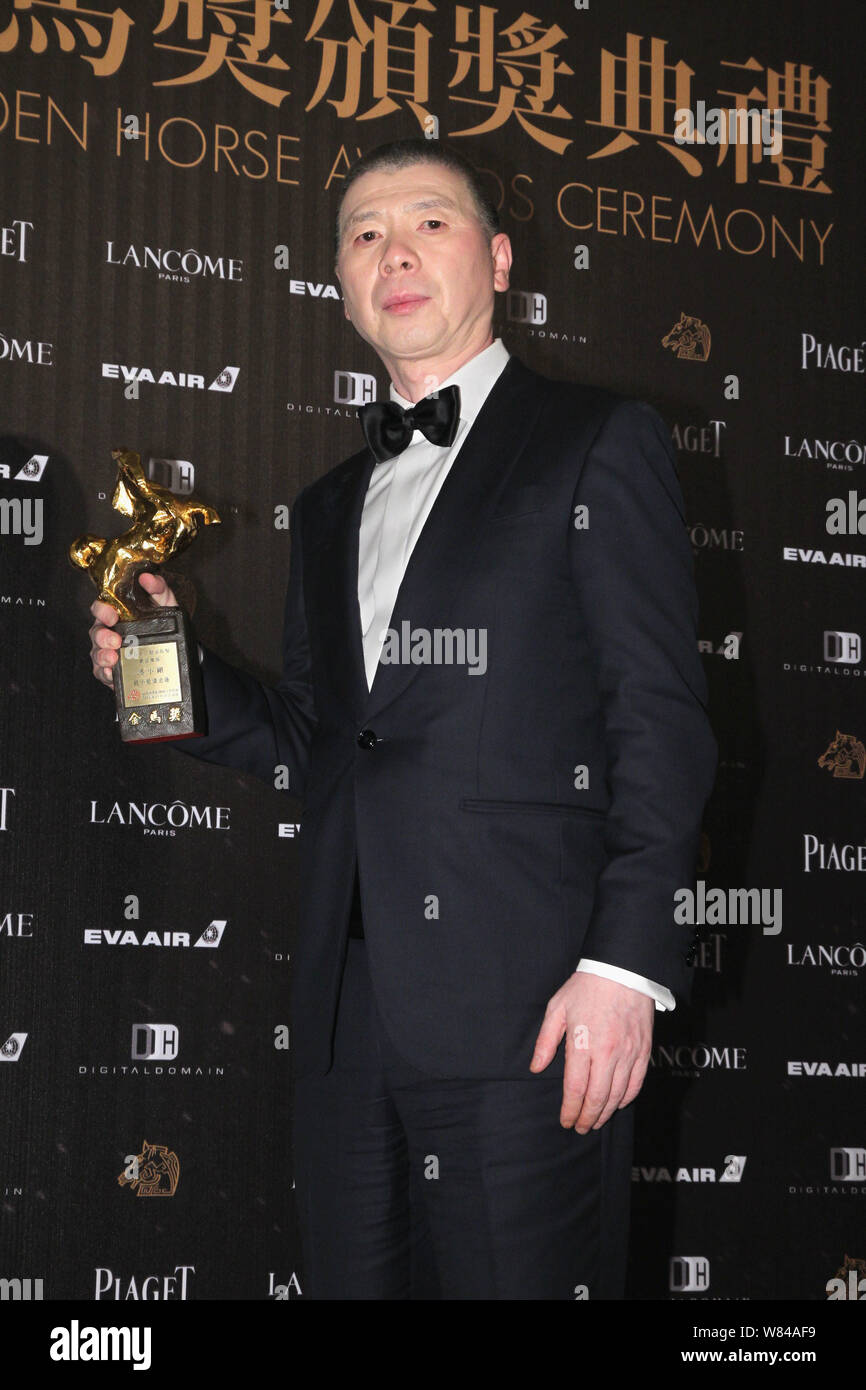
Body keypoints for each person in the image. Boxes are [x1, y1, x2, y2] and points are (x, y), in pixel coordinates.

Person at [89, 138, 717, 1300]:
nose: (395, 251)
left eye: (428, 221)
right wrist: (157, 669)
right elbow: (317, 736)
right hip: (346, 1009)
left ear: (498, 255)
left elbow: (659, 716)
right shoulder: (328, 504)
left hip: (531, 1008)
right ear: (338, 281)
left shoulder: (592, 439)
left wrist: (624, 968)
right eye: (365, 234)